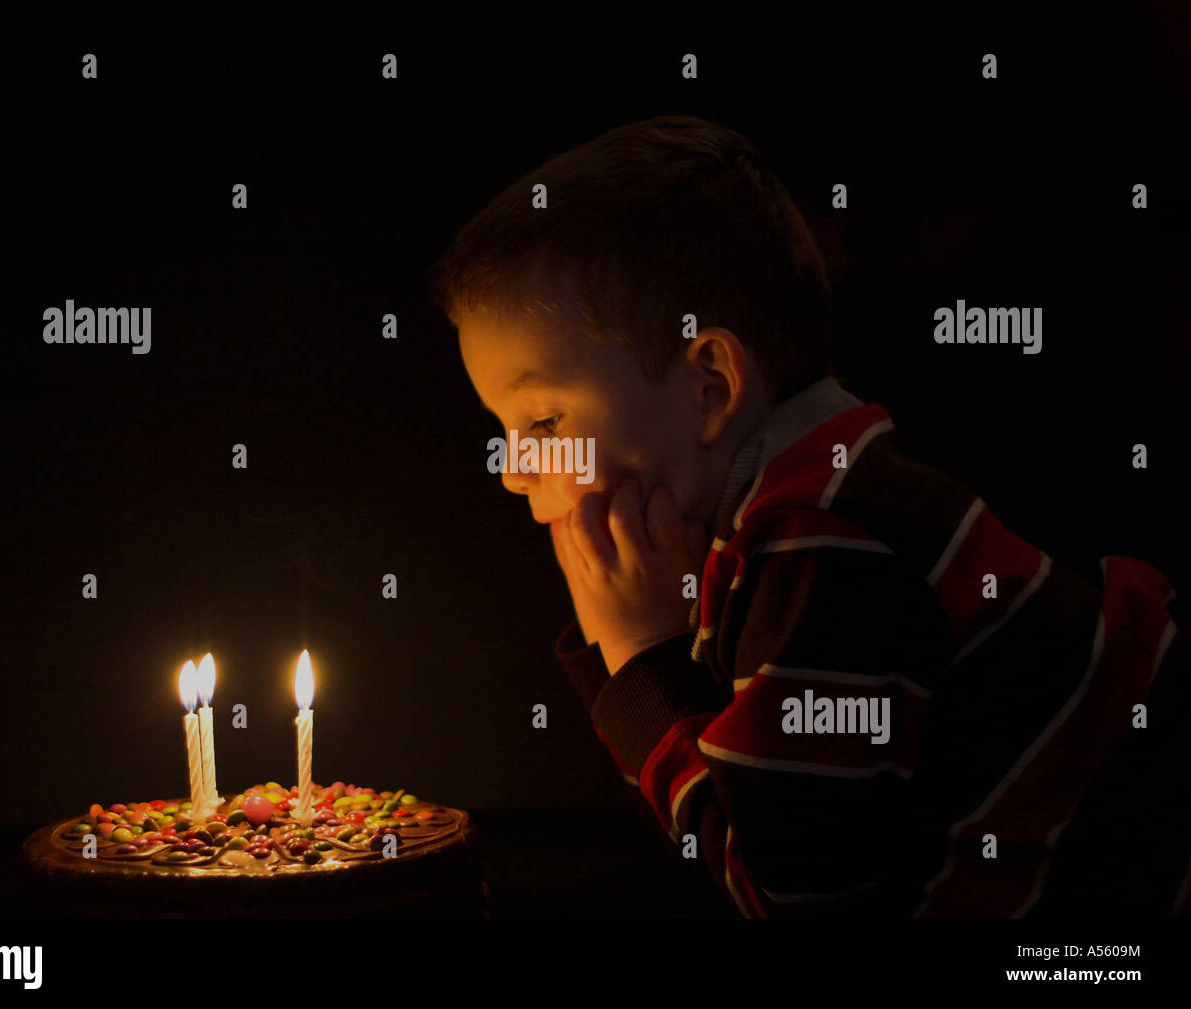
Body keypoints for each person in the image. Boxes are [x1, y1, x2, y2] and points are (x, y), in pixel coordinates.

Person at [428, 114, 1190, 917]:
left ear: (709, 388)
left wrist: (641, 659)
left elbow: (790, 896)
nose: (512, 470)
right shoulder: (818, 491)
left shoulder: (822, 543)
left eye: (543, 421)